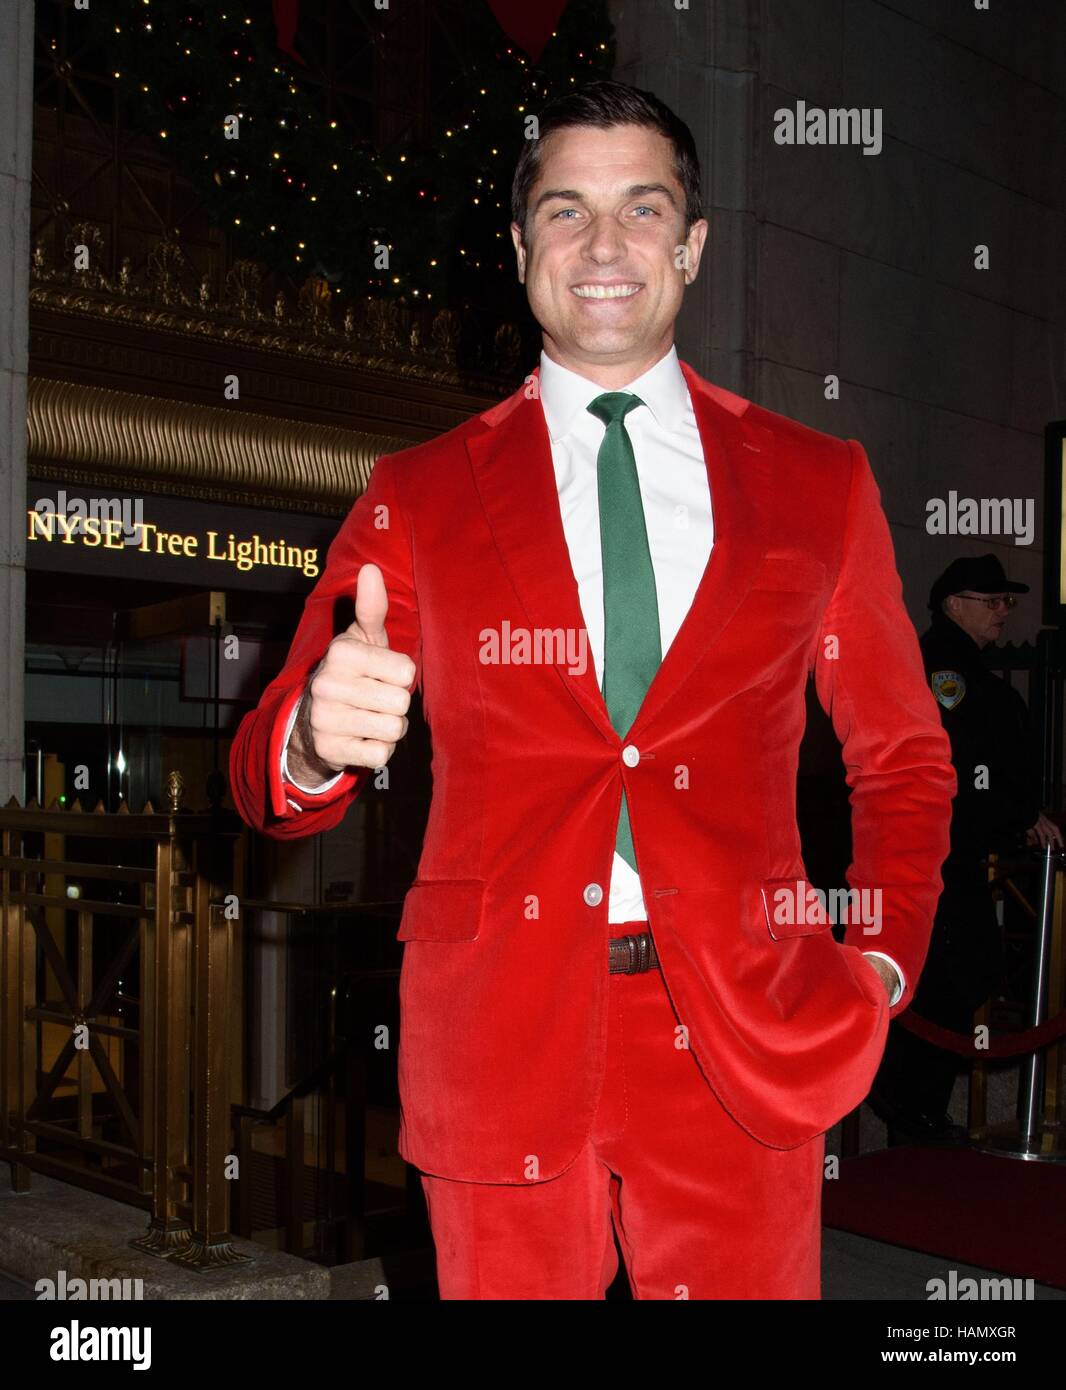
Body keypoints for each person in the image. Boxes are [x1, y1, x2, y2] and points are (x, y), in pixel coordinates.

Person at [230, 80, 955, 1299]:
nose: (605, 247)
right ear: (519, 250)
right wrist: (307, 739)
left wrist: (875, 962)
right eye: (566, 212)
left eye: (642, 208)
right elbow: (265, 776)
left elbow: (903, 758)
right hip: (500, 1034)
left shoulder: (819, 481)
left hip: (745, 1034)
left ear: (692, 243)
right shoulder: (420, 490)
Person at [871, 554, 1062, 1143]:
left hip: (954, 852)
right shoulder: (944, 670)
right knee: (945, 984)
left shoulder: (959, 665)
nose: (1006, 611)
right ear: (955, 604)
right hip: (937, 855)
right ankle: (909, 1108)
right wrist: (1018, 813)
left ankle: (915, 1109)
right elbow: (959, 764)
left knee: (953, 980)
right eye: (993, 600)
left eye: (1008, 601)